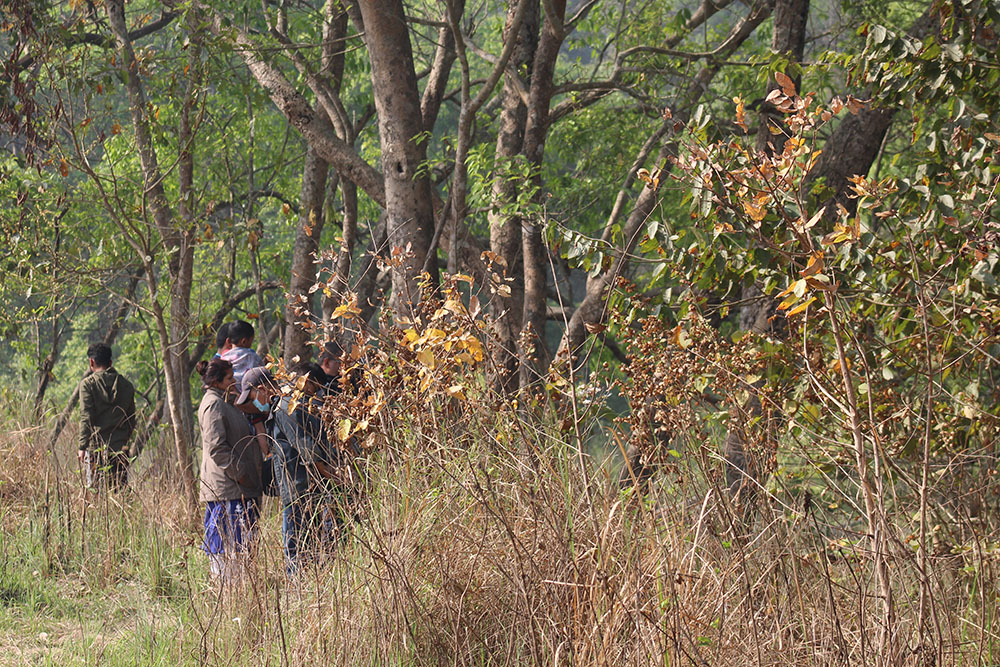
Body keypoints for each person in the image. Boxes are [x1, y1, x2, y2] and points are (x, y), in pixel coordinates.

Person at [265, 363, 345, 570]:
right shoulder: (288, 407)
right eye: (315, 388)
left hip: (310, 486)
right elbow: (307, 449)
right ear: (307, 381)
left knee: (312, 540)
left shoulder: (301, 406)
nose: (316, 395)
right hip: (296, 485)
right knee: (297, 544)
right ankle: (297, 582)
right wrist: (334, 476)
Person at [196, 357, 263, 581]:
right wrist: (241, 474)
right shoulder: (213, 405)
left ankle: (240, 592)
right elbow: (217, 448)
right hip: (227, 489)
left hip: (238, 487)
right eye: (229, 378)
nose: (233, 381)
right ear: (216, 382)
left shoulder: (226, 401)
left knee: (242, 548)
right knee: (226, 549)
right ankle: (226, 593)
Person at [78, 343, 136, 490]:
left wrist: (82, 446)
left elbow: (86, 417)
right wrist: (123, 440)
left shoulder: (87, 385)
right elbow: (131, 419)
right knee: (119, 491)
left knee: (95, 492)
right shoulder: (126, 385)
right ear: (110, 363)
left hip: (96, 450)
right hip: (119, 450)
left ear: (91, 362)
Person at [221, 320, 265, 394]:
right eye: (251, 341)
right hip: (248, 395)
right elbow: (263, 374)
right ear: (244, 341)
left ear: (228, 341)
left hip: (228, 393)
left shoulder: (223, 358)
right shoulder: (253, 356)